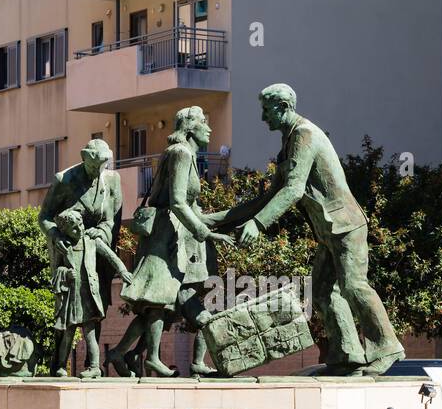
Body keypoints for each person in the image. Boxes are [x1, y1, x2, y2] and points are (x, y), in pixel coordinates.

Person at [215, 83, 404, 375]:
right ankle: (348, 355)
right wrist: (212, 220)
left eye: (266, 110)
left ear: (284, 107)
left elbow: (292, 190)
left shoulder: (305, 134)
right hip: (328, 231)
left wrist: (258, 223)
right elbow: (267, 197)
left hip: (345, 225)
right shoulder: (289, 142)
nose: (263, 117)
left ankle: (387, 347)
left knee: (354, 287)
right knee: (323, 292)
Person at [109, 106, 232, 377]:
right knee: (160, 302)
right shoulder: (181, 153)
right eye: (204, 123)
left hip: (177, 235)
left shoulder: (183, 154)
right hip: (167, 237)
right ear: (190, 128)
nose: (209, 129)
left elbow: (191, 207)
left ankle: (124, 353)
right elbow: (177, 202)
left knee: (162, 306)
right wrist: (205, 232)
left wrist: (228, 219)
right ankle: (151, 357)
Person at [39, 138, 125, 377]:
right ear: (84, 158)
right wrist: (57, 237)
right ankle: (58, 364)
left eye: (103, 166)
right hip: (68, 253)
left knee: (94, 313)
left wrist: (104, 232)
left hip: (96, 251)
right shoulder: (64, 180)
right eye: (94, 166)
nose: (98, 171)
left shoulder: (112, 180)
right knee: (64, 316)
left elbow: (114, 220)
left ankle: (92, 365)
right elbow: (45, 217)